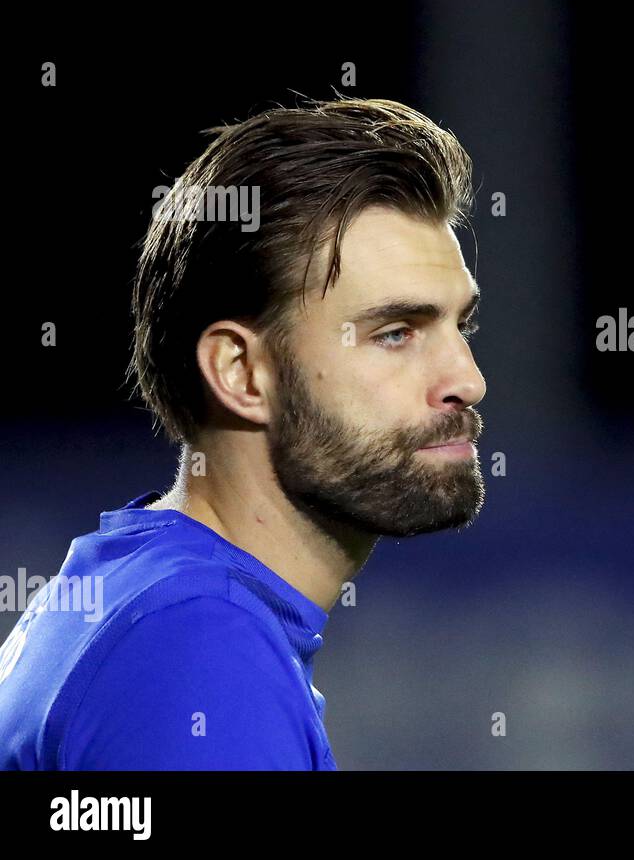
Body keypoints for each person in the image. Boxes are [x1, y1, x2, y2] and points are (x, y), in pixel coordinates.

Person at [0, 98, 486, 769]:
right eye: (395, 333)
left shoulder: (148, 596)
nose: (466, 378)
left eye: (462, 326)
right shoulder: (195, 644)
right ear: (242, 373)